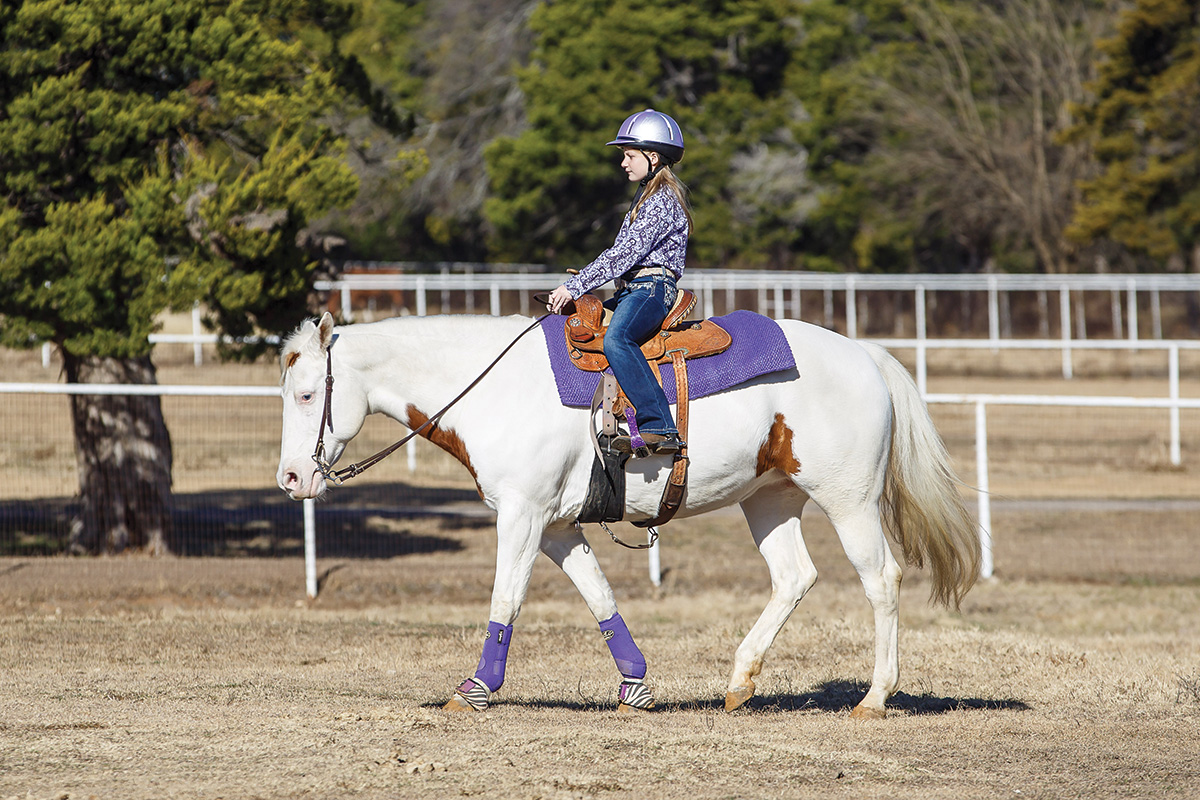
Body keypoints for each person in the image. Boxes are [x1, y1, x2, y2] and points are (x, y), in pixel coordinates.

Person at [546, 109, 692, 457]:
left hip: (651, 290)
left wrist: (575, 285)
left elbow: (622, 255)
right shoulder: (644, 197)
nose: (624, 163)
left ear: (652, 157)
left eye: (629, 155)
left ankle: (659, 424)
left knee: (617, 339)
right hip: (632, 290)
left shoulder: (661, 202)